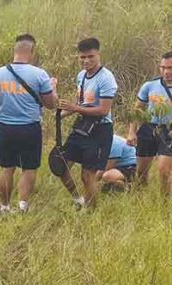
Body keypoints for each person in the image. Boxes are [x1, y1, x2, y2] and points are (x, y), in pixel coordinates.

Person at [0, 34, 58, 214]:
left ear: (14, 50)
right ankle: (22, 205)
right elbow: (50, 104)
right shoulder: (40, 75)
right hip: (30, 128)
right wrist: (53, 87)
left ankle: (4, 206)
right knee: (29, 167)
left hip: (5, 128)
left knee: (7, 167)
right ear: (32, 51)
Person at [56, 37, 118, 208]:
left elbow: (103, 110)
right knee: (60, 166)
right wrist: (61, 114)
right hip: (82, 126)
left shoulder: (106, 78)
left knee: (87, 175)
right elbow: (82, 103)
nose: (86, 61)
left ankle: (91, 212)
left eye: (90, 56)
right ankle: (78, 200)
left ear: (98, 54)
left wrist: (74, 108)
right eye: (82, 58)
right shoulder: (81, 76)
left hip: (100, 130)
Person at [127, 51, 172, 198]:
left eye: (170, 68)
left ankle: (164, 203)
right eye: (163, 67)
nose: (166, 72)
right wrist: (132, 132)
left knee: (164, 170)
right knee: (141, 172)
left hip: (168, 131)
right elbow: (137, 109)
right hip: (149, 128)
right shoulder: (150, 85)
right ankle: (140, 199)